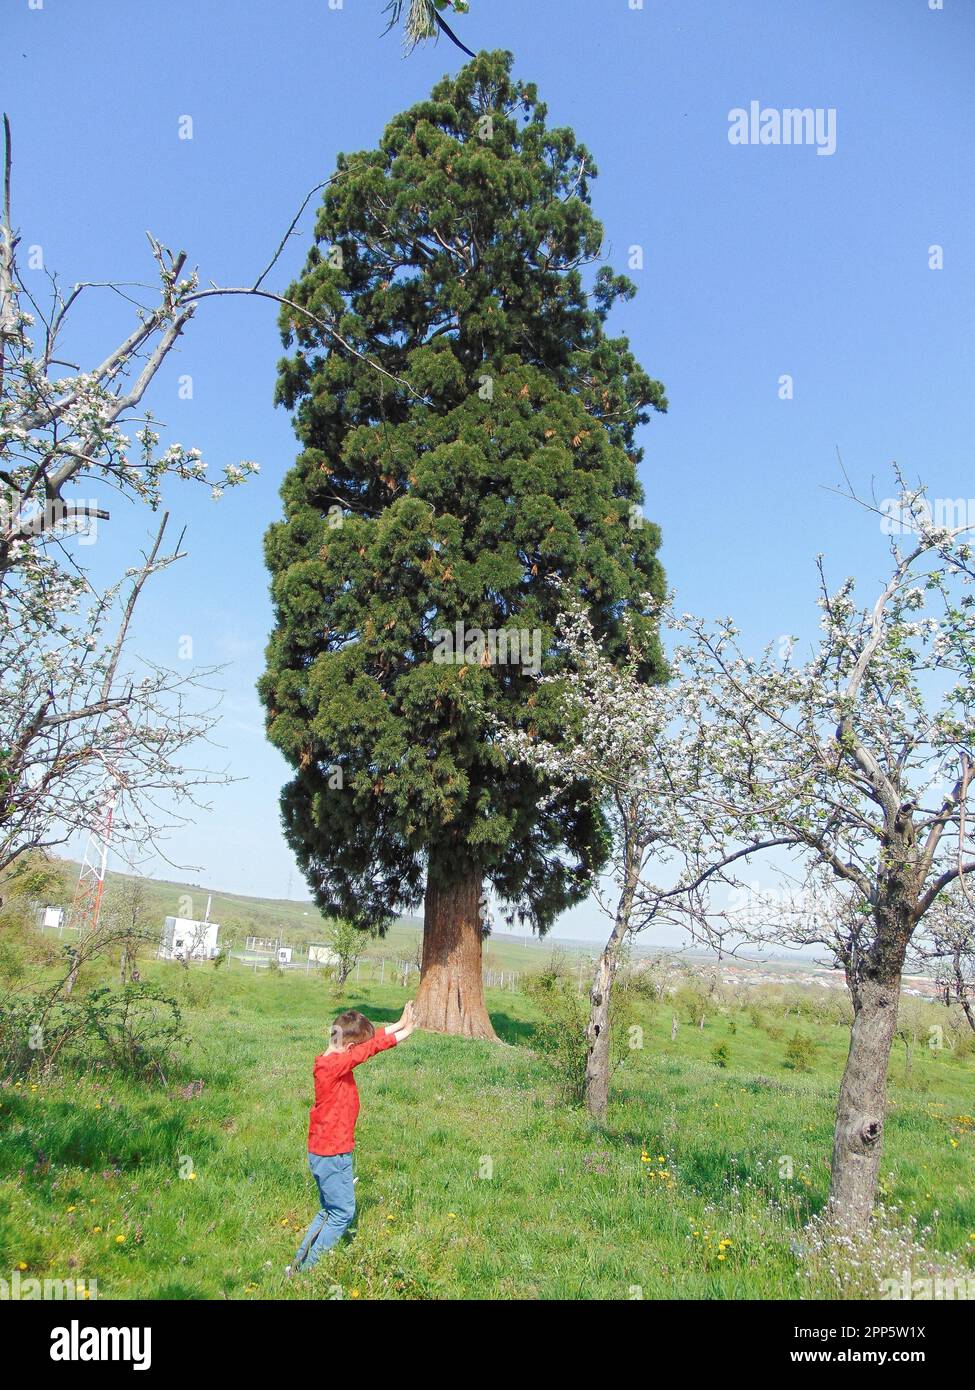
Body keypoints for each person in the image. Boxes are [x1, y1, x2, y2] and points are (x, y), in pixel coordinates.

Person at [288, 1001, 416, 1273]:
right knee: (343, 1213)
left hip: (324, 1151)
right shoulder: (333, 1067)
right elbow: (366, 1050)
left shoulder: (330, 1057)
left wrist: (398, 1023)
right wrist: (404, 1033)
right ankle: (308, 1270)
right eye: (353, 1053)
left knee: (329, 1211)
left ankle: (298, 1265)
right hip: (333, 1153)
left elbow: (359, 1042)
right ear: (348, 1050)